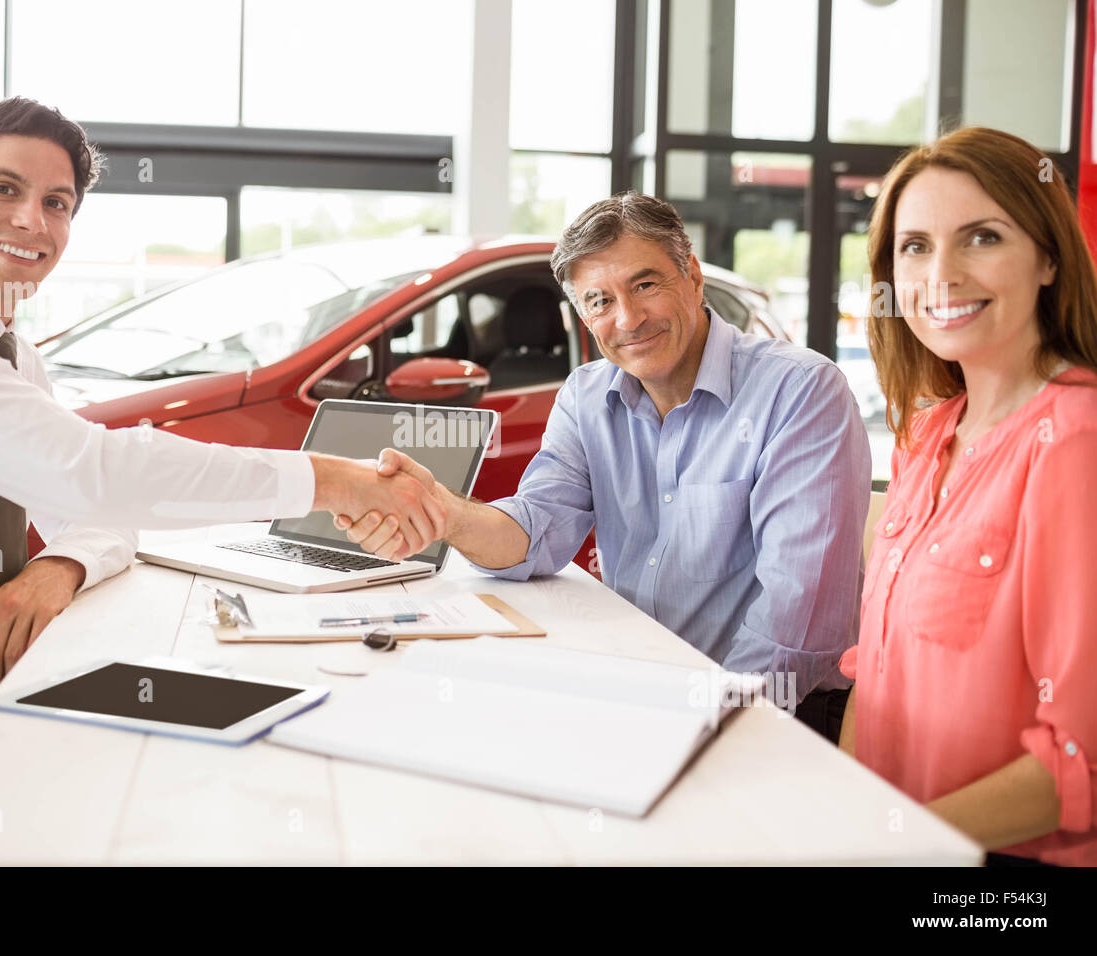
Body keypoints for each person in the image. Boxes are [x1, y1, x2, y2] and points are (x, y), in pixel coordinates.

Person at [0, 97, 442, 865]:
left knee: (195, 803)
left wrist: (59, 565)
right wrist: (328, 480)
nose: (33, 220)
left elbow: (96, 508)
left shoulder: (6, 352)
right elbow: (90, 470)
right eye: (4, 190)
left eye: (57, 202)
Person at [337, 193, 871, 740]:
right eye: (599, 301)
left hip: (771, 713)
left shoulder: (801, 390)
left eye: (645, 285)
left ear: (691, 275)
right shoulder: (585, 396)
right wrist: (445, 515)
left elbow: (797, 623)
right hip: (645, 688)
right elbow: (538, 527)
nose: (628, 319)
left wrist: (696, 726)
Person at [836, 126, 1097, 866]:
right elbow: (874, 672)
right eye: (914, 246)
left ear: (1048, 256)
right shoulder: (928, 431)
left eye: (981, 237)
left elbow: (1078, 759)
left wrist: (879, 842)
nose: (940, 274)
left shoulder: (1076, 441)